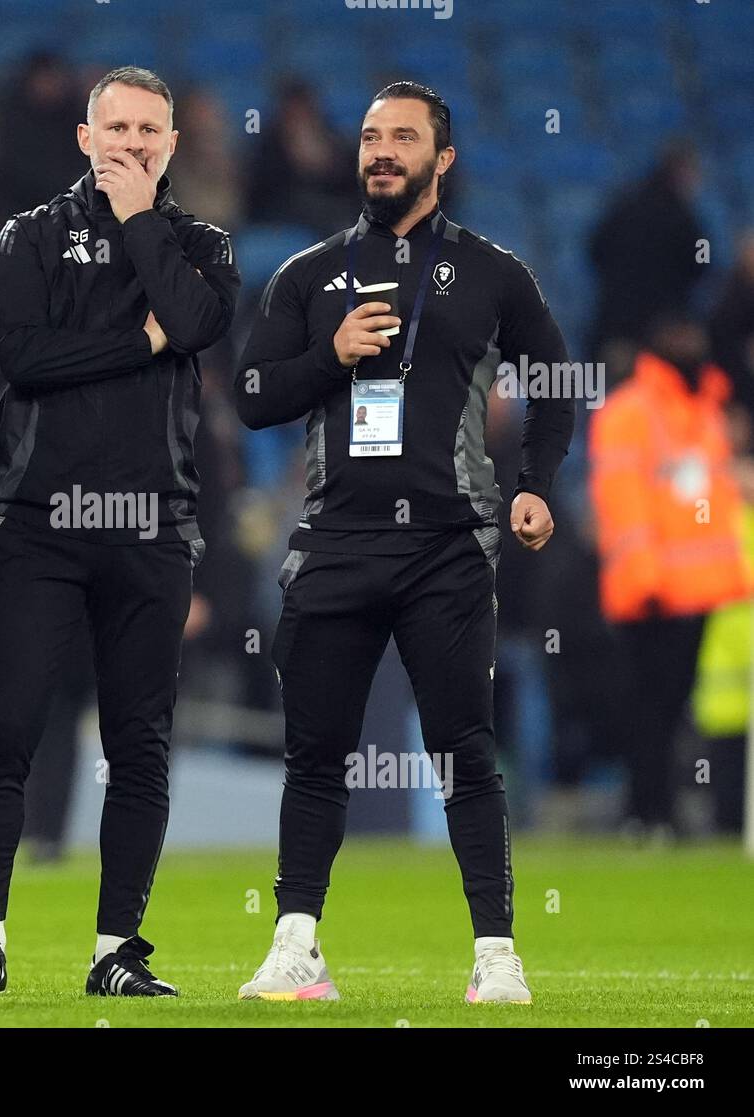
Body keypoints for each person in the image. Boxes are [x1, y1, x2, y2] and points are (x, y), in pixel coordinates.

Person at [233, 81, 575, 1005]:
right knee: (316, 755)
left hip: (447, 545)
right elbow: (253, 394)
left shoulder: (495, 272)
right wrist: (328, 356)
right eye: (372, 137)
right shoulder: (307, 275)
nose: (382, 151)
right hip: (335, 541)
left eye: (403, 138)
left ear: (442, 159)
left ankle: (496, 956)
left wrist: (537, 485)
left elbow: (558, 381)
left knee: (465, 748)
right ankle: (298, 948)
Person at [0, 66, 241, 996]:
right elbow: (28, 360)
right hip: (40, 522)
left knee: (139, 743)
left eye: (151, 130)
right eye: (116, 128)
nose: (134, 143)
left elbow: (196, 319)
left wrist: (143, 224)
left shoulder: (202, 244)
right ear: (85, 138)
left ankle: (117, 951)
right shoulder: (25, 238)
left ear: (171, 146)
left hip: (152, 526)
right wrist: (140, 343)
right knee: (6, 731)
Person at [589, 314, 753, 840]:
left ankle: (658, 813)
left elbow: (712, 496)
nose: (694, 345)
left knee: (670, 707)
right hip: (652, 591)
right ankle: (646, 813)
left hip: (699, 588)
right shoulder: (630, 414)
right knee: (649, 708)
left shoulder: (704, 407)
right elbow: (625, 503)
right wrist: (645, 579)